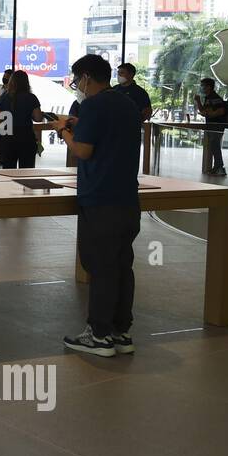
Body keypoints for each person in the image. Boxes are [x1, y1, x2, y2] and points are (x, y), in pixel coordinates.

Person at [53, 53, 141, 357]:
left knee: (100, 266)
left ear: (87, 77)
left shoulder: (92, 105)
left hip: (100, 199)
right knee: (121, 265)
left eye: (78, 79)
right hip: (128, 198)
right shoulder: (127, 104)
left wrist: (65, 130)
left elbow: (84, 151)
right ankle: (121, 331)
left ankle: (99, 335)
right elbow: (109, 135)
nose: (77, 85)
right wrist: (81, 123)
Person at [0, 70, 44, 168]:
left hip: (8, 138)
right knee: (26, 172)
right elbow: (38, 118)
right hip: (26, 138)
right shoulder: (31, 98)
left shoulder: (4, 97)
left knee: (8, 172)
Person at [194, 77, 228, 176]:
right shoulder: (208, 98)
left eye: (203, 86)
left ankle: (219, 167)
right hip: (211, 126)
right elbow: (203, 111)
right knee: (213, 146)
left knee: (215, 146)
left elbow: (221, 111)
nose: (202, 88)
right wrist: (198, 101)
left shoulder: (215, 97)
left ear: (209, 87)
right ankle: (217, 167)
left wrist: (210, 114)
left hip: (216, 126)